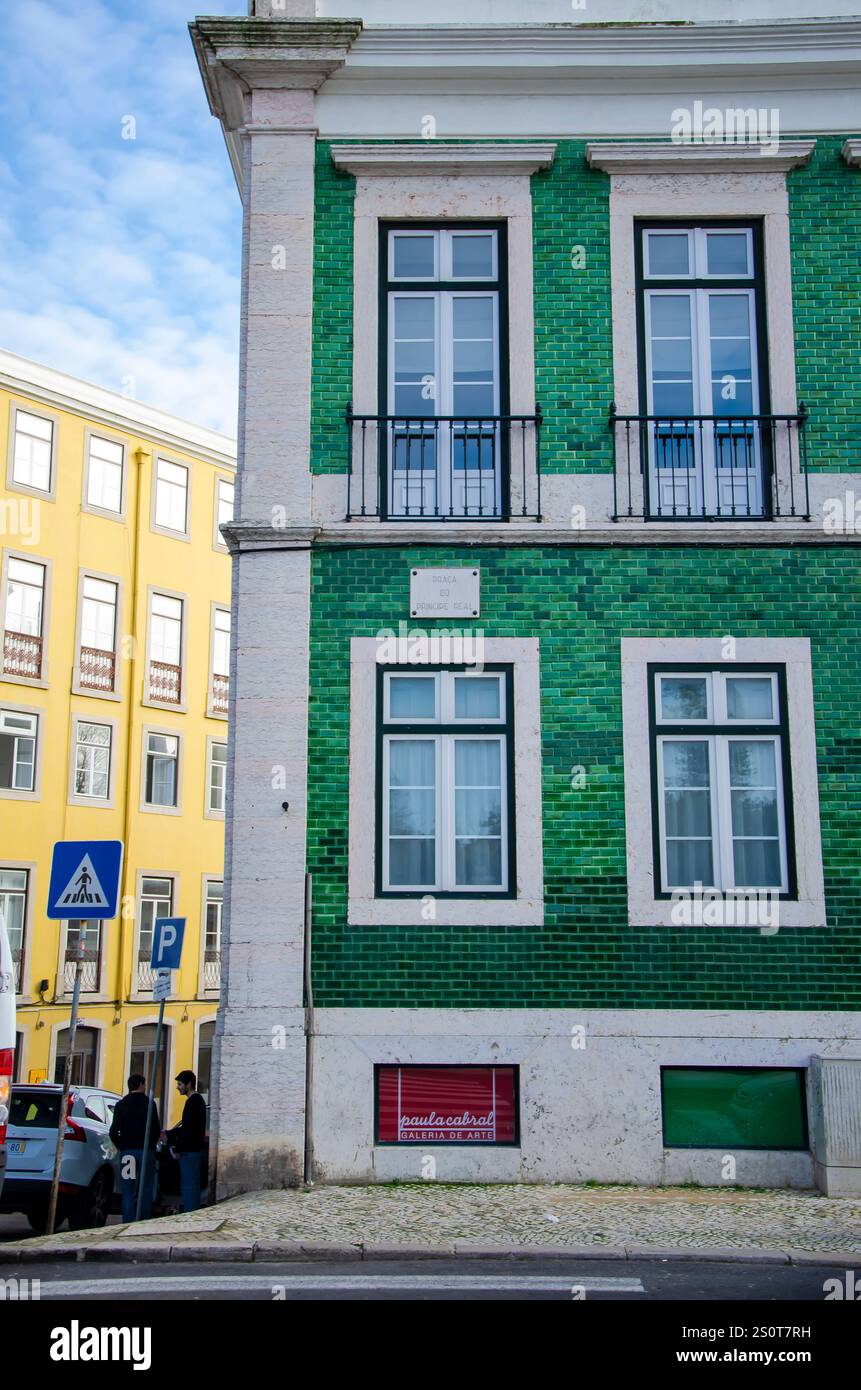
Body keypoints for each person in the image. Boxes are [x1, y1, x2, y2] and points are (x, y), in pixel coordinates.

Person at [109, 1074, 160, 1223]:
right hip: (146, 1152)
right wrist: (151, 1145)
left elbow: (113, 1131)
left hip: (128, 1153)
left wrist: (121, 1146)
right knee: (146, 1187)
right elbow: (156, 1129)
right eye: (144, 1084)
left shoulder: (121, 1105)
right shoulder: (150, 1104)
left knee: (128, 1189)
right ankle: (144, 1221)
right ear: (140, 1085)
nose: (145, 1087)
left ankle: (127, 1221)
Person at [164, 1070, 207, 1212]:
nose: (178, 1087)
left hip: (190, 1152)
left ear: (189, 1084)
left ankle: (191, 1215)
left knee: (189, 1187)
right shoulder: (196, 1101)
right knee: (190, 1186)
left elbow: (188, 1129)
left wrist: (173, 1140)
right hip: (192, 1150)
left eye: (180, 1084)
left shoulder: (194, 1102)